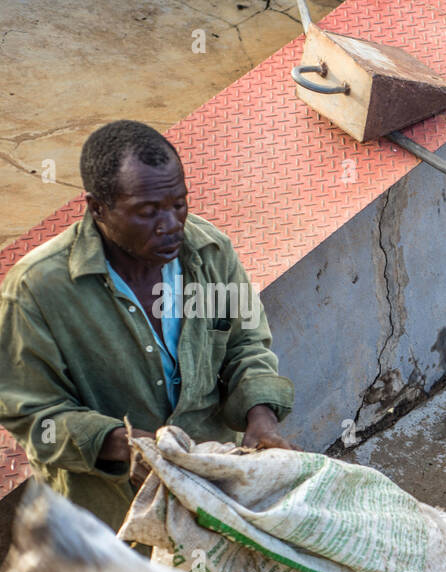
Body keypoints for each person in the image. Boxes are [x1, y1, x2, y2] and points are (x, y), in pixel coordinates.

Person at [0, 119, 296, 535]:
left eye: (179, 203)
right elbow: (31, 414)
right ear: (97, 208)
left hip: (213, 493)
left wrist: (260, 416)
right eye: (148, 211)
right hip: (112, 520)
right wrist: (122, 445)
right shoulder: (36, 291)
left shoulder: (211, 253)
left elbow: (245, 345)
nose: (171, 223)